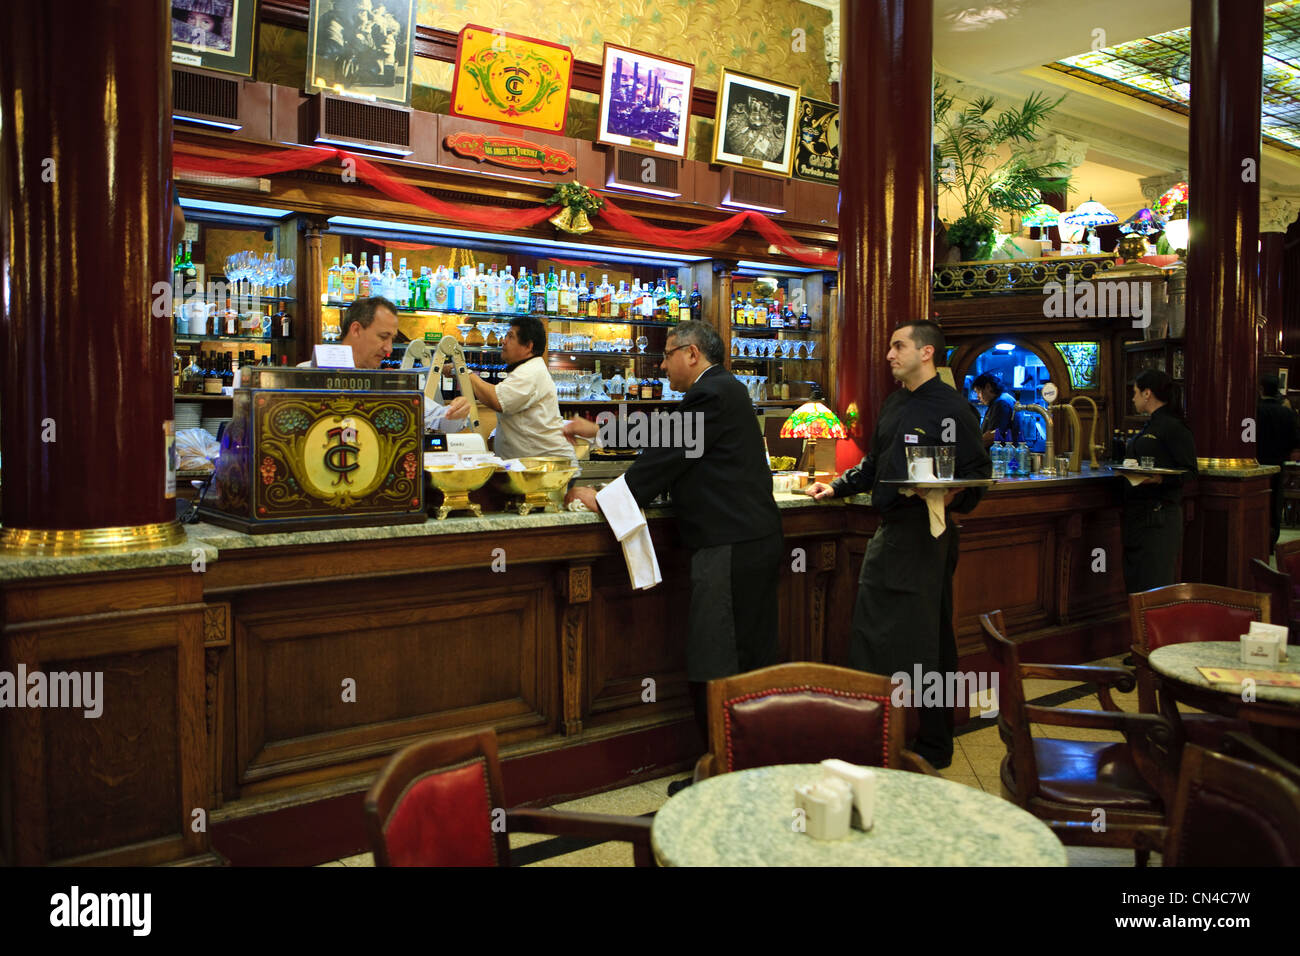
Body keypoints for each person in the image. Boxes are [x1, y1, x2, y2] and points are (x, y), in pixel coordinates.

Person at [569, 322, 783, 789]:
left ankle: (722, 775)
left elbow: (667, 449)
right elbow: (669, 435)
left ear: (690, 354)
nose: (661, 365)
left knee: (718, 658)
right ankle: (744, 768)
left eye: (666, 355)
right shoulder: (722, 390)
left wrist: (602, 499)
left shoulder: (712, 394)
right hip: (749, 542)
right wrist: (601, 429)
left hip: (730, 546)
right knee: (746, 656)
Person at [805, 320, 990, 768]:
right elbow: (875, 463)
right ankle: (876, 735)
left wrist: (952, 492)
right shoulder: (893, 403)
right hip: (889, 530)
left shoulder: (952, 408)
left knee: (924, 640)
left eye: (898, 346)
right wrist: (838, 487)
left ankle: (929, 742)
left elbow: (978, 470)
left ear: (926, 353)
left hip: (926, 533)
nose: (889, 354)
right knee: (874, 633)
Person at [301, 296, 470, 433]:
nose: (388, 348)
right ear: (356, 330)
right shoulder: (306, 375)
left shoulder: (389, 384)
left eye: (392, 339)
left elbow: (443, 421)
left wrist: (458, 411)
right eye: (383, 337)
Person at [456, 315, 574, 461]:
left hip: (546, 468)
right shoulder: (526, 369)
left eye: (510, 337)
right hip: (532, 465)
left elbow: (496, 400)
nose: (504, 341)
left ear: (528, 346)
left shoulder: (530, 372)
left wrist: (465, 373)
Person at [1122, 368, 1197, 593]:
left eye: (1135, 392)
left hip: (1159, 515)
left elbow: (1190, 471)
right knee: (1137, 583)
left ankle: (1152, 629)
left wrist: (1159, 478)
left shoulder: (1173, 426)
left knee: (1154, 584)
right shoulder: (1151, 424)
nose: (1133, 398)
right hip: (1139, 514)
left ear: (1148, 394)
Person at [1257, 372, 1300, 550]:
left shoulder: (1254, 411)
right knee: (1275, 502)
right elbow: (1295, 441)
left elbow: (1246, 438)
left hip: (1257, 464)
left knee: (1259, 501)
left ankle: (1258, 537)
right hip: (1278, 464)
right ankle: (1271, 541)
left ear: (1261, 389)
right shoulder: (1287, 414)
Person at [971, 372, 1018, 448]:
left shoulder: (1001, 403)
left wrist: (974, 447)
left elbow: (993, 435)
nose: (977, 397)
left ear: (988, 387)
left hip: (1002, 456)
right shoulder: (1003, 399)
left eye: (978, 392)